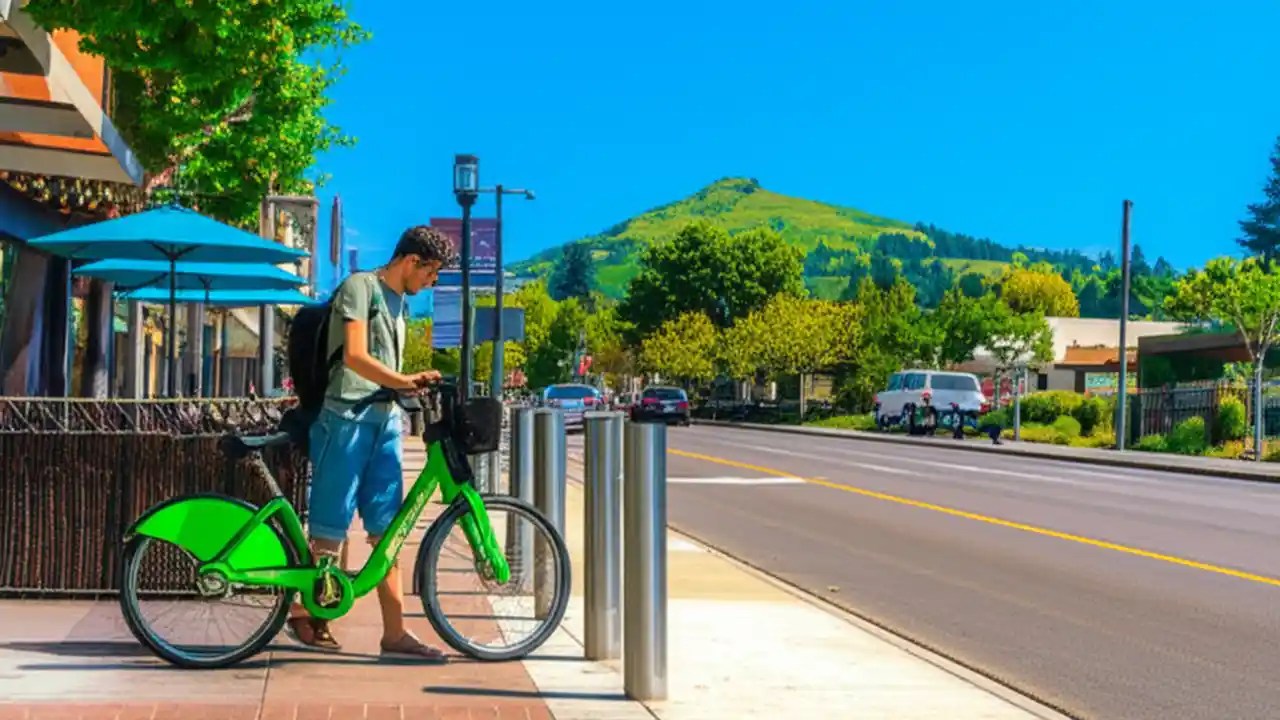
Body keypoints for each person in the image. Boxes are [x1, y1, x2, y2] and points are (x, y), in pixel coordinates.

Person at [285, 225, 454, 661]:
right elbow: (357, 356)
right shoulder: (360, 287)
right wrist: (402, 380)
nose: (431, 283)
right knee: (329, 526)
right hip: (345, 419)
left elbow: (379, 366)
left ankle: (394, 633)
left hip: (384, 422)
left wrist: (406, 386)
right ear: (411, 261)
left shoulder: (400, 304)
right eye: (431, 273)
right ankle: (309, 615)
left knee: (388, 530)